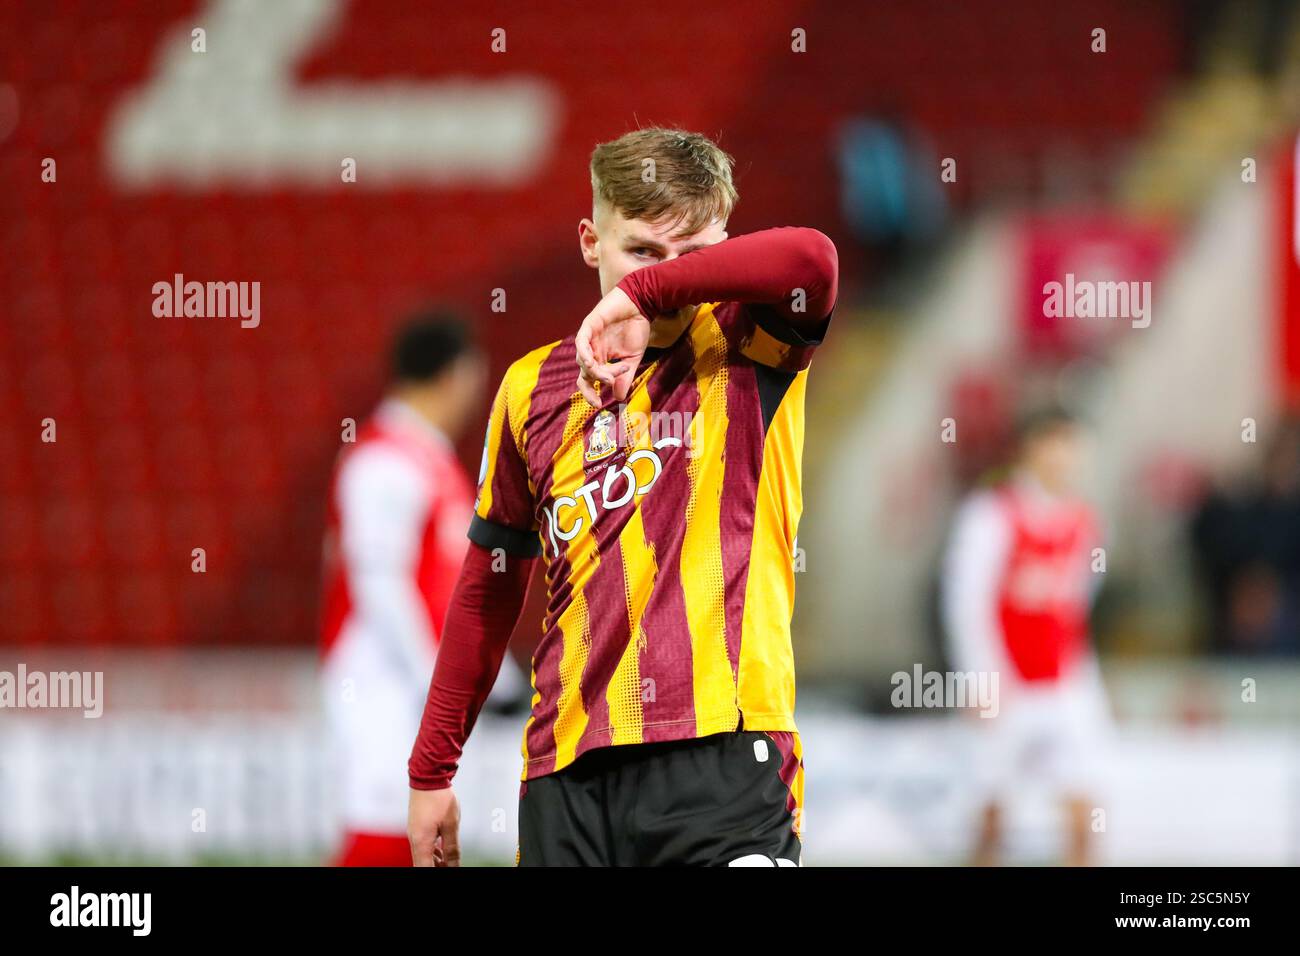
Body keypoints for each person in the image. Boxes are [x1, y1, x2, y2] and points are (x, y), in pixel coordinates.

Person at [407, 127, 838, 866]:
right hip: (566, 778)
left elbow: (814, 259)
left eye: (692, 258)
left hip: (724, 756)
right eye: (641, 250)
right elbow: (488, 589)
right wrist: (431, 771)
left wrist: (642, 290)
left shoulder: (747, 343)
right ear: (588, 240)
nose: (668, 275)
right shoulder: (527, 392)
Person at [320, 312, 521, 866]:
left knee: (422, 835)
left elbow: (449, 590)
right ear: (456, 373)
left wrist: (494, 678)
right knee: (388, 828)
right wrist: (434, 683)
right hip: (381, 679)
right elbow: (378, 586)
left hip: (415, 679)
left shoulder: (428, 459)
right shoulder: (385, 459)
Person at [941, 406, 1110, 866]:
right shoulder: (990, 515)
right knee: (992, 821)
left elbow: (1075, 610)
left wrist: (1084, 683)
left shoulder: (1085, 524)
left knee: (1083, 818)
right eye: (1054, 444)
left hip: (1063, 685)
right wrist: (980, 679)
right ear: (1029, 448)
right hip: (1006, 685)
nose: (1065, 458)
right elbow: (966, 602)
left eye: (1072, 446)